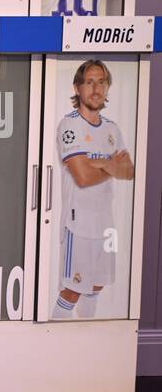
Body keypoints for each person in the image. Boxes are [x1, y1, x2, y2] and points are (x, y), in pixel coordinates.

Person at [52, 59, 133, 319]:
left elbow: (129, 171)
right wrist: (110, 165)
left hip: (106, 225)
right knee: (72, 290)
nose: (96, 88)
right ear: (77, 88)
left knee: (97, 285)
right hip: (80, 225)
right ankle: (53, 343)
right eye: (89, 82)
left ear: (107, 88)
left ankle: (86, 342)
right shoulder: (70, 125)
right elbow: (83, 177)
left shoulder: (112, 129)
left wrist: (99, 163)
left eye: (102, 82)